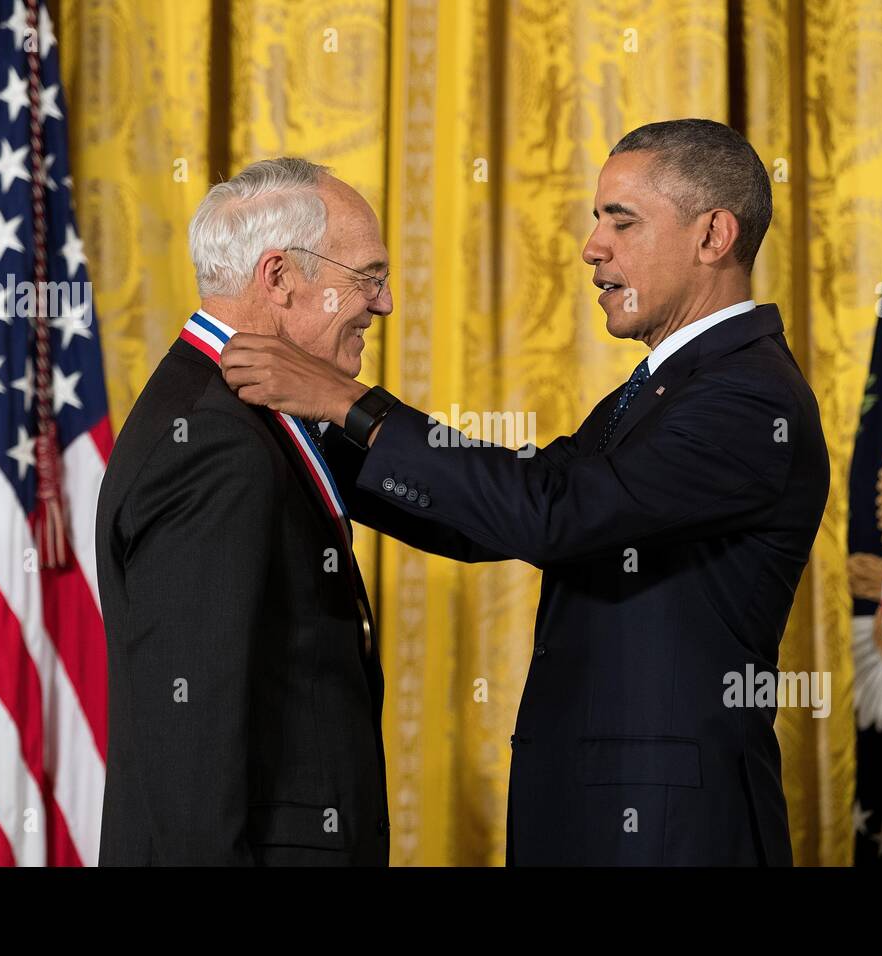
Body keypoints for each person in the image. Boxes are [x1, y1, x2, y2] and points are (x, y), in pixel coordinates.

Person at [222, 119, 831, 865]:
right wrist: (314, 443)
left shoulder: (748, 399)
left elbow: (550, 513)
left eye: (622, 220)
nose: (592, 247)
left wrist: (351, 404)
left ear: (713, 235)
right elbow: (494, 517)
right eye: (595, 220)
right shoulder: (661, 390)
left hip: (668, 836)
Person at [95, 158, 394, 865]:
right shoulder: (214, 442)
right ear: (281, 278)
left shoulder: (235, 410)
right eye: (367, 277)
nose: (382, 304)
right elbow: (190, 723)